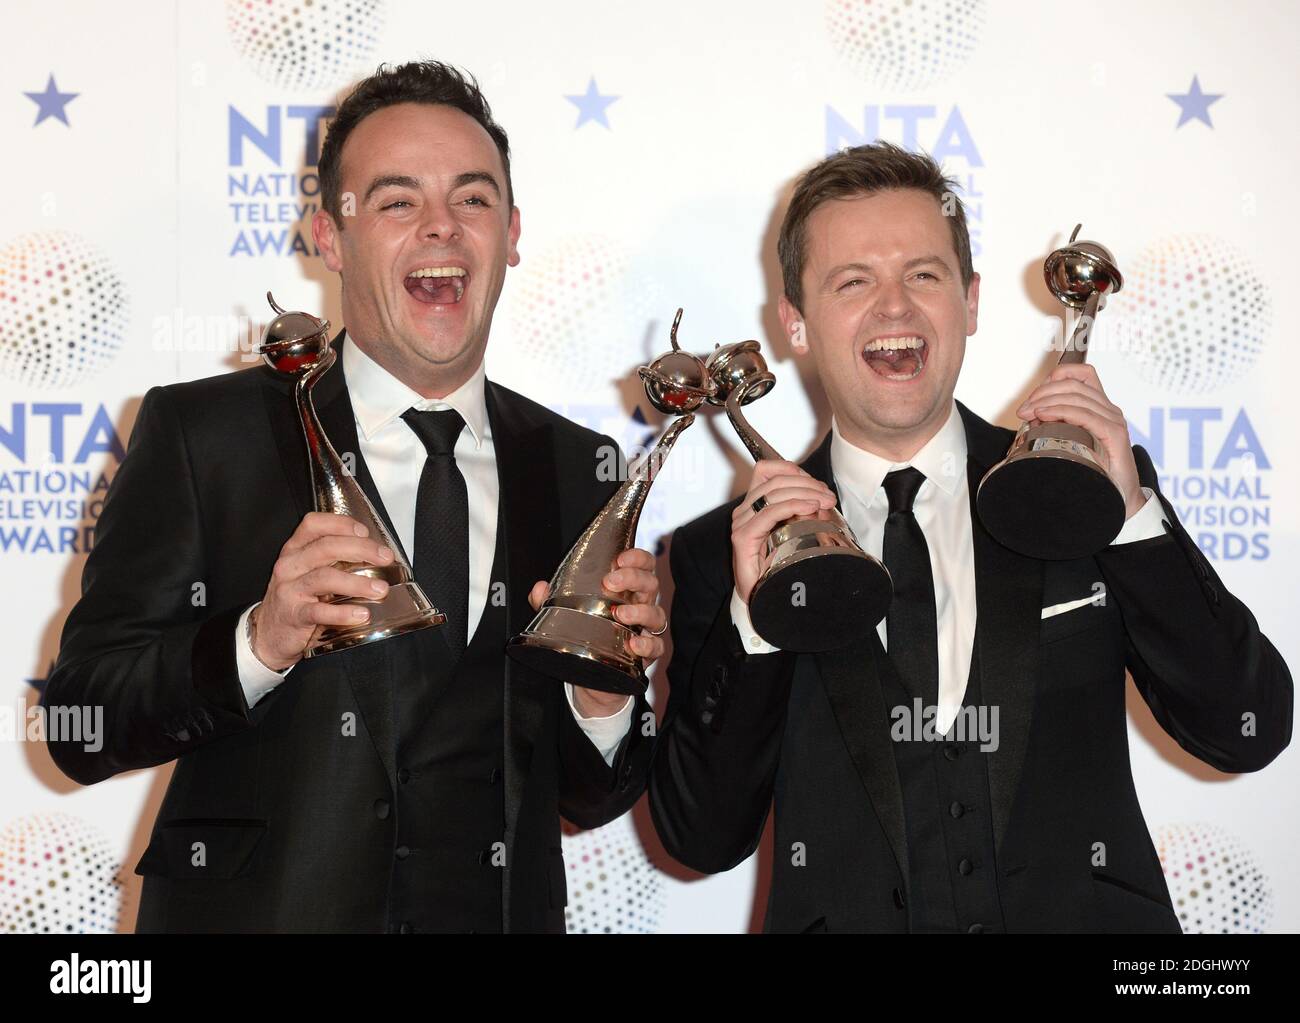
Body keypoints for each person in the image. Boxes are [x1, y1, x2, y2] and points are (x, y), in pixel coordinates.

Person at [42, 60, 664, 934]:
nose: (442, 228)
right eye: (398, 201)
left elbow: (589, 790)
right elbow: (81, 724)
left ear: (514, 232)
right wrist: (258, 642)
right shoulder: (202, 434)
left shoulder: (578, 466)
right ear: (330, 237)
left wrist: (604, 700)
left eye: (474, 200)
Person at [649, 141, 1293, 933]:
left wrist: (1131, 517)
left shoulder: (1087, 488)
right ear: (795, 323)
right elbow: (701, 837)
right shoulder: (726, 549)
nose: (894, 308)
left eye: (923, 274)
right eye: (853, 281)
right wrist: (755, 620)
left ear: (973, 302)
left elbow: (1245, 728)